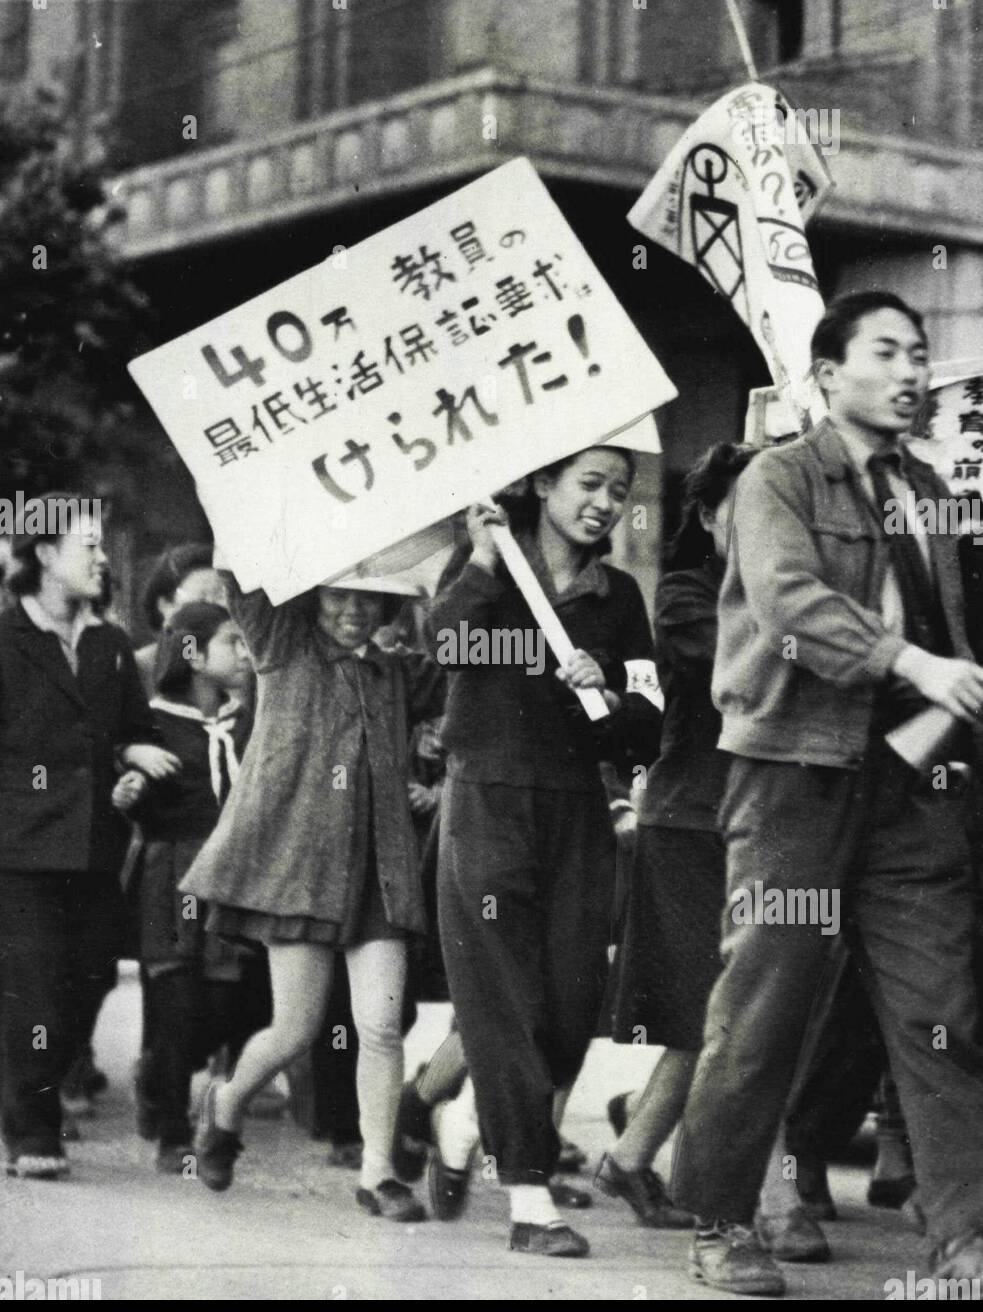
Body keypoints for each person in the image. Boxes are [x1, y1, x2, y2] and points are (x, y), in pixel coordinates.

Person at [673, 291, 983, 1295]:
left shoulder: (926, 486)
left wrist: (952, 686)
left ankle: (962, 1243)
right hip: (795, 773)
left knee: (939, 1011)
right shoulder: (777, 479)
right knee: (762, 1004)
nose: (907, 371)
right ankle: (720, 1221)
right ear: (825, 374)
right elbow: (788, 606)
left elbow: (948, 629)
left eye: (917, 354)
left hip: (910, 782)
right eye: (884, 352)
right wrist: (911, 662)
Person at [431, 447, 662, 1257]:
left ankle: (464, 1117)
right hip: (485, 800)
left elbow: (647, 721)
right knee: (502, 1007)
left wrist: (602, 692)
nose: (603, 503)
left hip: (577, 813)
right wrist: (486, 565)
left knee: (568, 1011)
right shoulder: (485, 566)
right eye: (588, 484)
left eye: (618, 492)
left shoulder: (619, 597)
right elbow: (446, 653)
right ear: (541, 483)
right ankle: (529, 1203)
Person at [601, 442, 827, 1260]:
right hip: (690, 820)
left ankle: (629, 1158)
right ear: (703, 516)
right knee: (728, 1011)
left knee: (715, 1014)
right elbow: (740, 670)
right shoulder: (691, 597)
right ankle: (766, 1203)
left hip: (758, 821)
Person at [185, 569, 444, 1222]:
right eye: (338, 594)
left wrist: (464, 571)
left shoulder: (397, 668)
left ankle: (378, 1173)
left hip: (381, 871)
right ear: (311, 594)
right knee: (295, 1029)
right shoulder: (280, 642)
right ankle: (226, 1105)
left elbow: (454, 651)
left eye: (368, 595)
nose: (353, 609)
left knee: (381, 1027)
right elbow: (242, 575)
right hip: (300, 869)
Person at [0, 494, 178, 1178]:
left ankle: (26, 1087)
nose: (103, 559)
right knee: (37, 988)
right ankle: (33, 1133)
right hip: (18, 847)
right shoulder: (6, 639)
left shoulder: (108, 647)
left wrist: (135, 764)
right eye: (90, 547)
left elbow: (137, 732)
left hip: (97, 843)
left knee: (94, 975)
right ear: (44, 554)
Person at [117, 601, 258, 1173]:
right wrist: (129, 790)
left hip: (229, 875)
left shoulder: (246, 723)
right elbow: (133, 789)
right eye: (233, 642)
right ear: (195, 653)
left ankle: (157, 1074)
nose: (245, 655)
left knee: (228, 1004)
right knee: (176, 1002)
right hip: (170, 871)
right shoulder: (152, 723)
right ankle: (173, 1131)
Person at [134, 543, 226, 697]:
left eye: (220, 596)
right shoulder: (141, 666)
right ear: (166, 606)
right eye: (202, 598)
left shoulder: (241, 662)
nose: (215, 608)